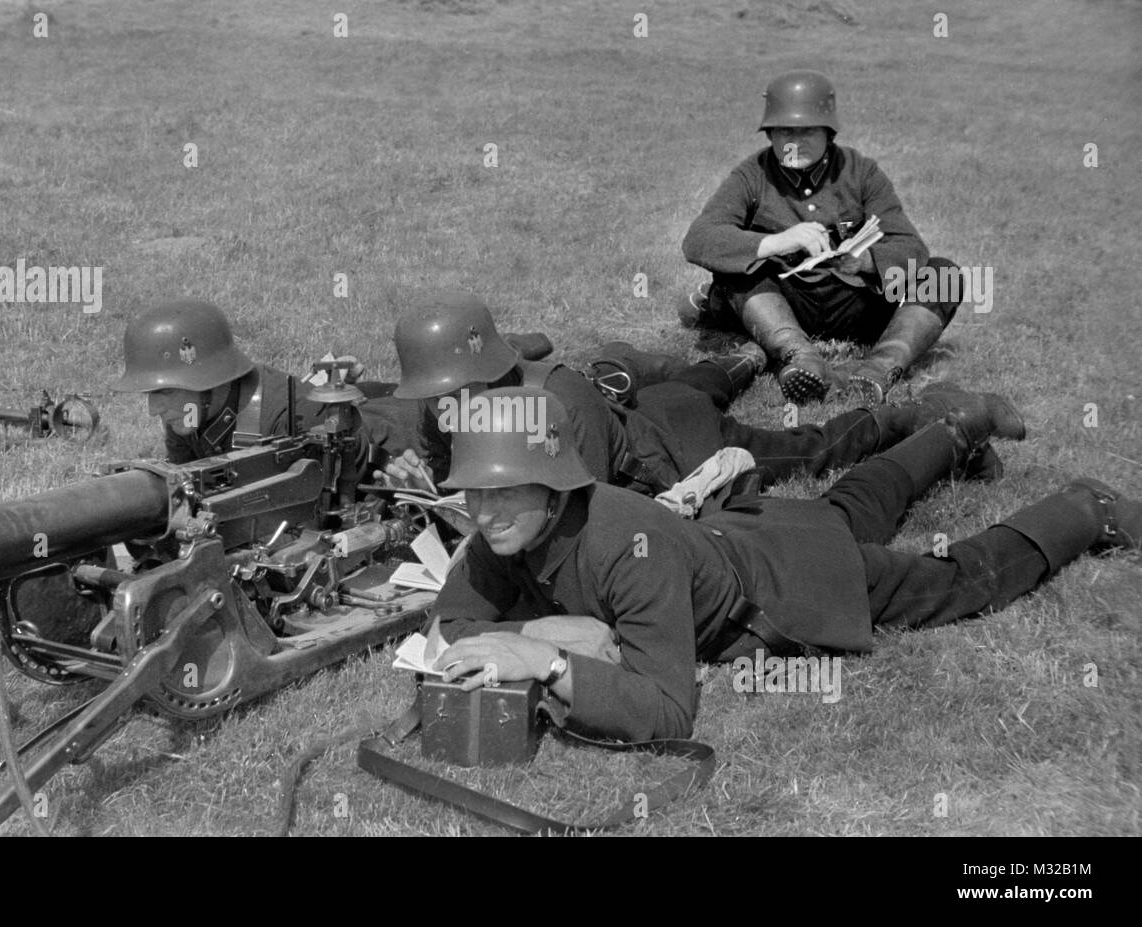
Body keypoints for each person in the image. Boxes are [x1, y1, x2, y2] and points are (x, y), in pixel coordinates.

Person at [431, 387, 1140, 742]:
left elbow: (670, 708)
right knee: (853, 500)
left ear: (555, 481)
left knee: (957, 582)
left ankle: (1086, 507)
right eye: (476, 494)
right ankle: (956, 426)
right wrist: (550, 631)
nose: (484, 511)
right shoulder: (504, 534)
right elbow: (453, 621)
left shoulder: (625, 541)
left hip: (792, 584)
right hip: (749, 530)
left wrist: (548, 663)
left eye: (504, 493)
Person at [378, 288, 1022, 499]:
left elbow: (575, 509)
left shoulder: (559, 402)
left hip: (683, 447)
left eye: (452, 388)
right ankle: (744, 358)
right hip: (653, 407)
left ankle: (928, 412)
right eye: (434, 393)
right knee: (694, 384)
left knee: (810, 450)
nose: (441, 405)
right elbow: (444, 464)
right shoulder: (451, 406)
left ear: (491, 366)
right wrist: (416, 474)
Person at [681, 70, 963, 404]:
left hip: (854, 301)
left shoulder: (861, 171)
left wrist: (867, 261)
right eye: (785, 130)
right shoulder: (752, 174)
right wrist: (776, 242)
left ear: (829, 133)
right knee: (735, 269)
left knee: (943, 275)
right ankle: (798, 356)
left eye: (807, 131)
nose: (794, 142)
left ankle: (878, 369)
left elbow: (911, 246)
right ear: (769, 133)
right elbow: (699, 238)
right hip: (781, 304)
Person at [109, 299, 421, 469]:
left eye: (164, 391)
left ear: (210, 381)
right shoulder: (188, 416)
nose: (154, 409)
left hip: (413, 441)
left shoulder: (292, 419)